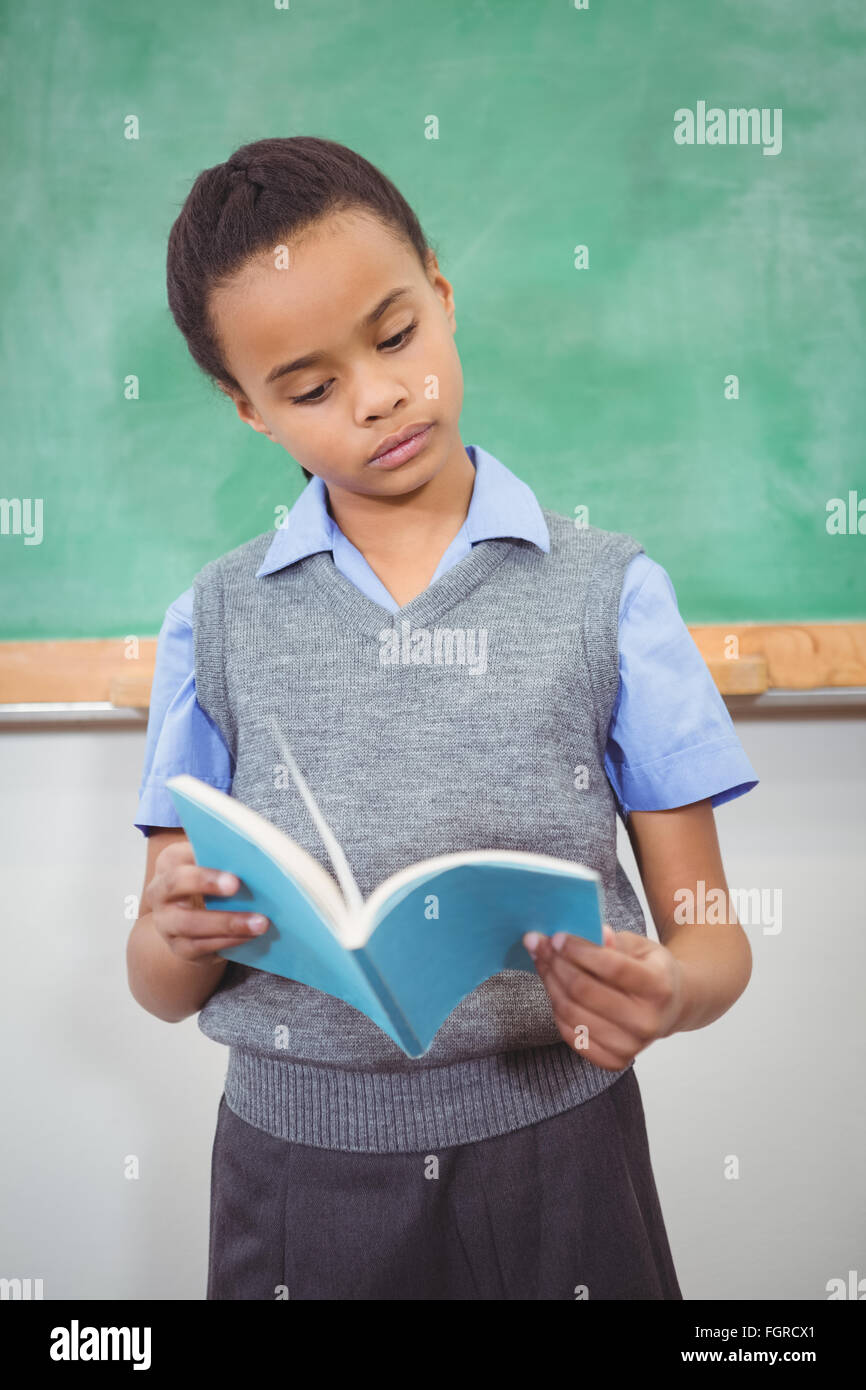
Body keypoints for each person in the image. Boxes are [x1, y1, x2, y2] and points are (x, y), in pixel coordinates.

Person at [129, 136, 758, 1300]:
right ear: (246, 408)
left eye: (396, 333)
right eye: (310, 388)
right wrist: (168, 937)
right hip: (294, 1174)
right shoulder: (211, 620)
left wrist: (670, 991)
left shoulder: (609, 593)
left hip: (558, 1157)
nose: (376, 397)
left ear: (442, 292)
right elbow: (161, 979)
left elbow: (711, 933)